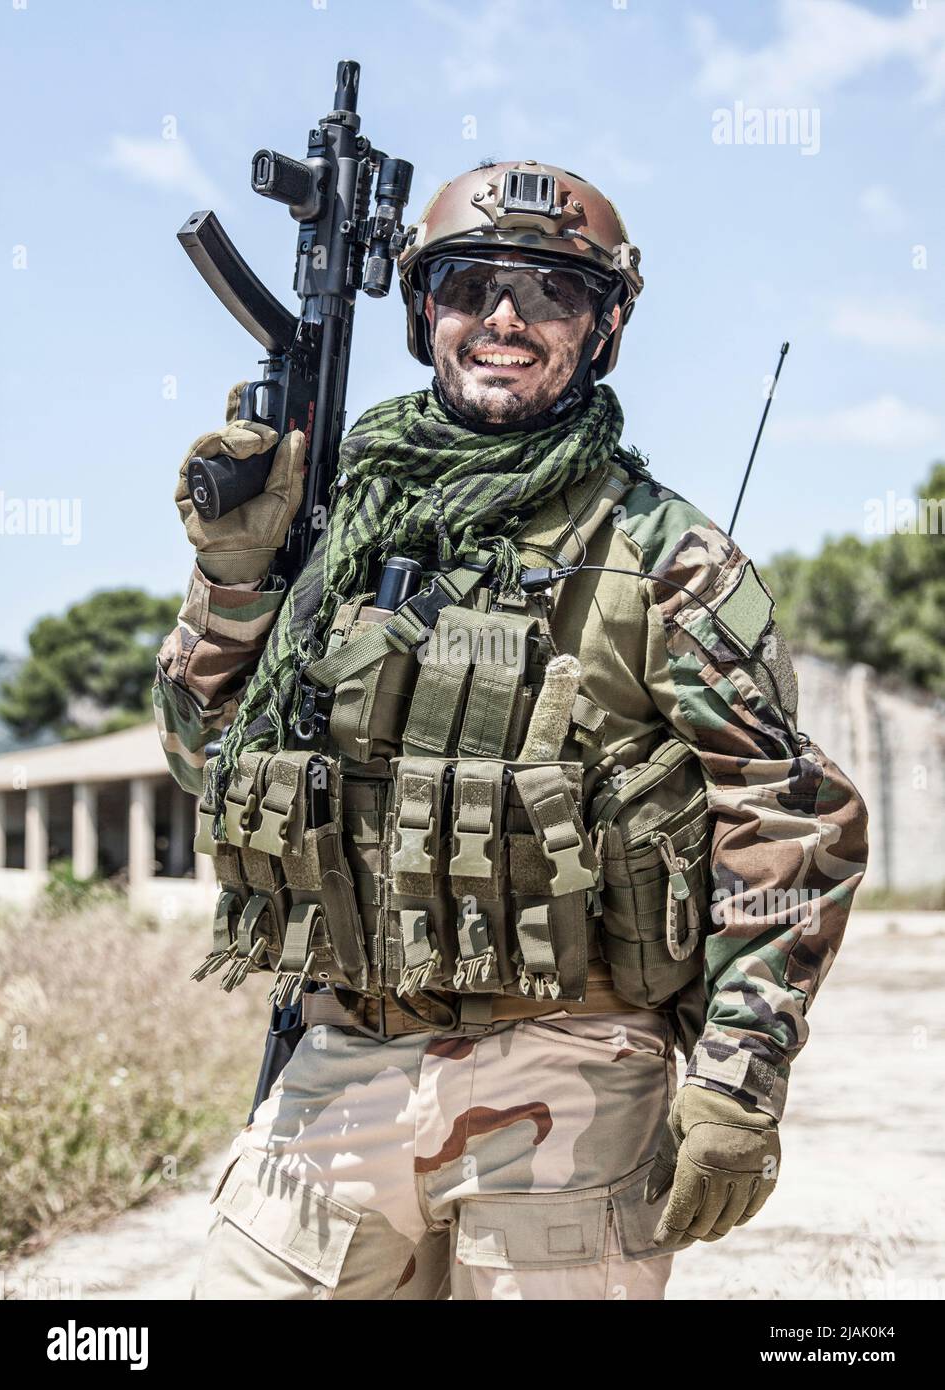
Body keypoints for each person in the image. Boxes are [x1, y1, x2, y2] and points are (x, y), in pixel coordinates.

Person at [153, 160, 868, 1301]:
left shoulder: (664, 556)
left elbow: (789, 819)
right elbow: (205, 758)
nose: (505, 319)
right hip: (338, 1060)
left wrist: (739, 1079)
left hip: (575, 1071)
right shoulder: (334, 520)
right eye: (470, 284)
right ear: (421, 310)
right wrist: (234, 579)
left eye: (552, 293)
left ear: (605, 326)